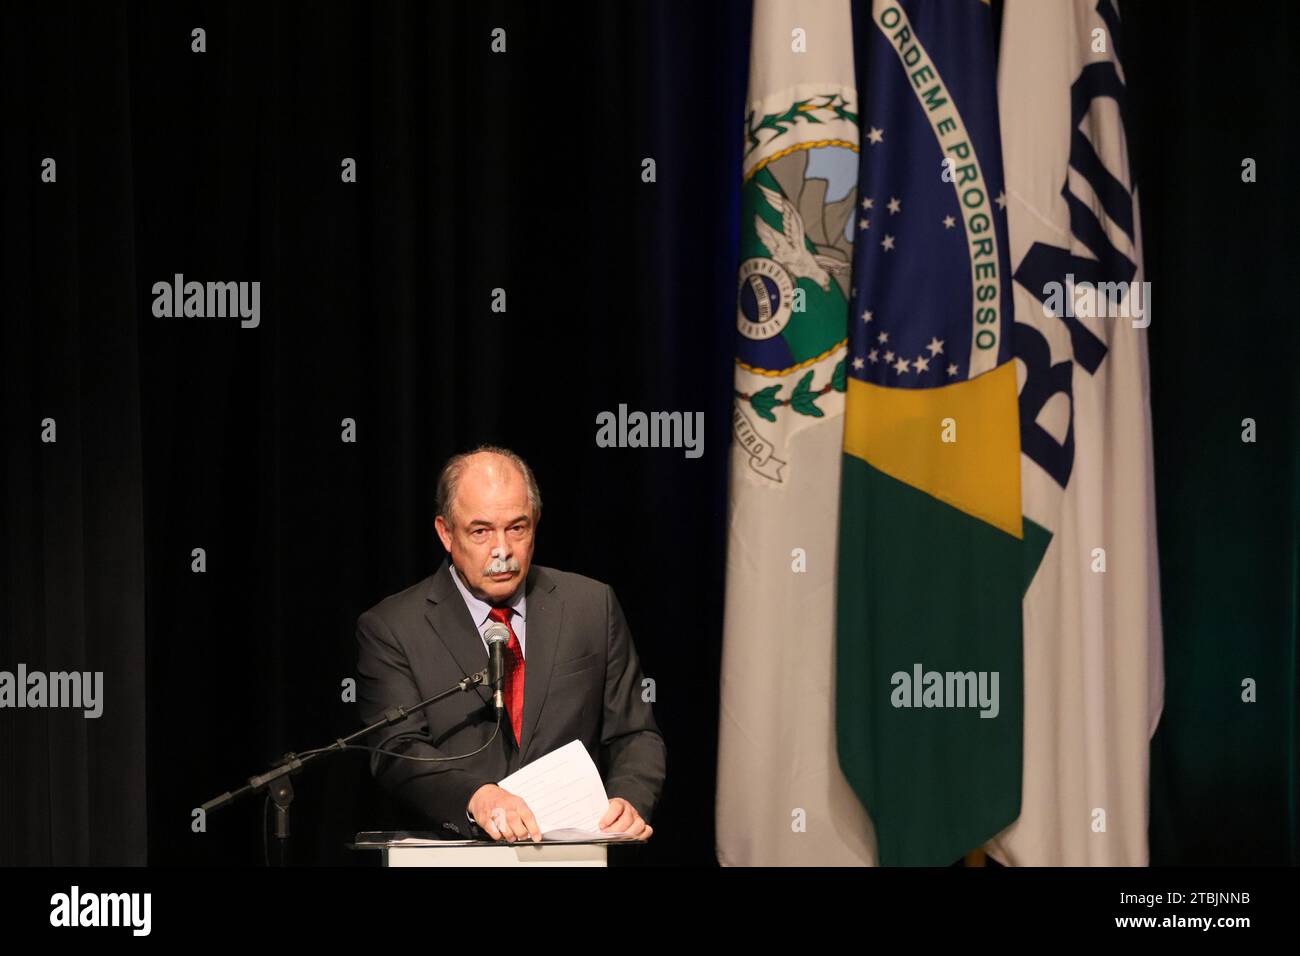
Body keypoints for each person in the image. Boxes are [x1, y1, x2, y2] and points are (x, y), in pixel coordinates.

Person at [355, 445, 665, 842]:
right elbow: (397, 749)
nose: (502, 550)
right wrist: (477, 796)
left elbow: (634, 734)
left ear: (535, 523)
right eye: (481, 531)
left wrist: (629, 799)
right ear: (446, 533)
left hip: (571, 854)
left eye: (517, 528)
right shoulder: (392, 627)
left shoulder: (591, 606)